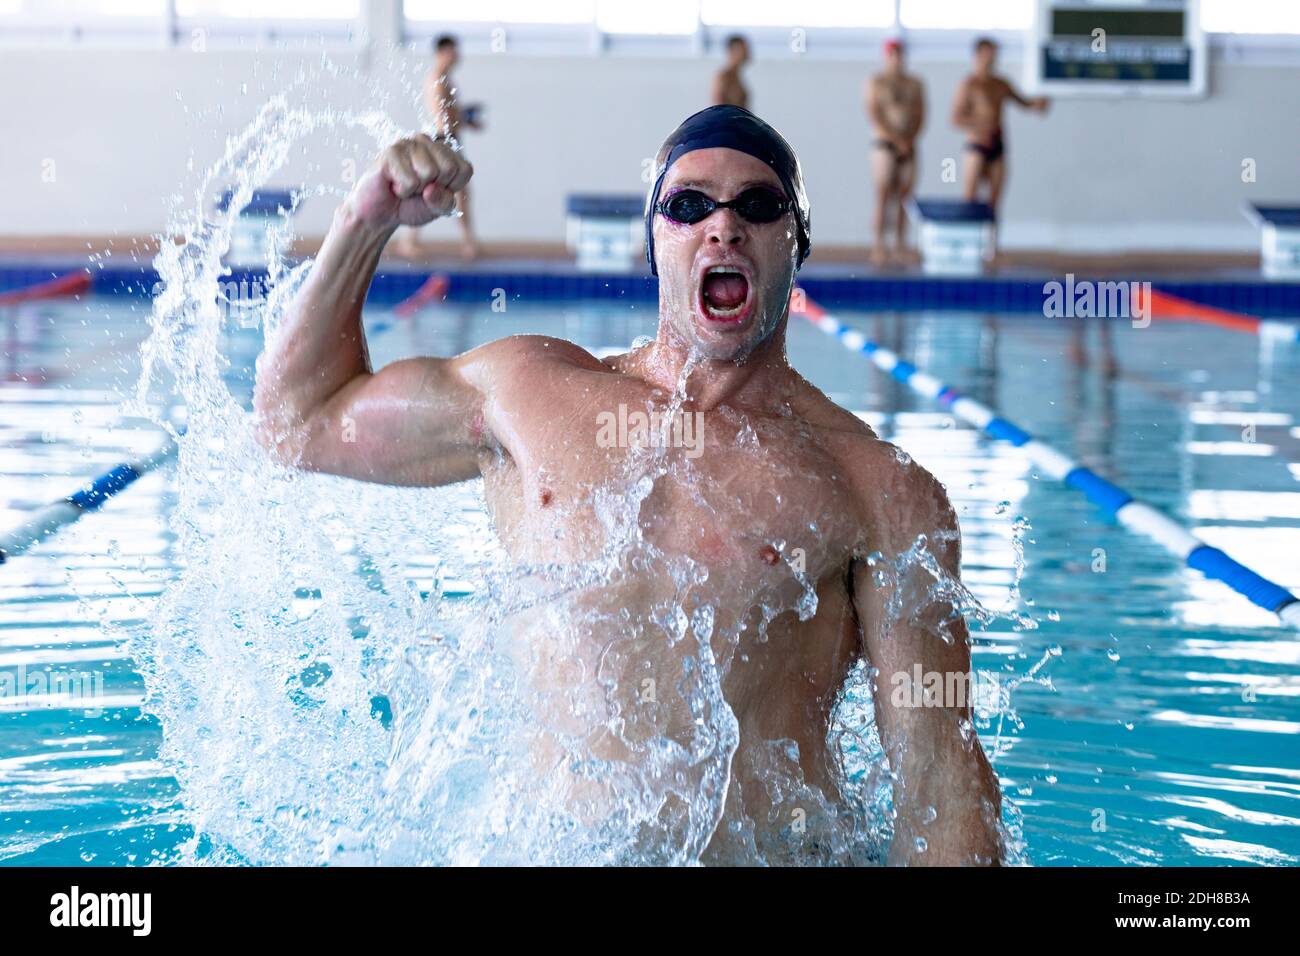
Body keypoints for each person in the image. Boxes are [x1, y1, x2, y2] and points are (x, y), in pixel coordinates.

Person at [252, 105, 1004, 865]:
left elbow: (941, 786)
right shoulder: (531, 393)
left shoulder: (878, 488)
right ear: (656, 243)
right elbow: (299, 424)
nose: (724, 226)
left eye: (759, 204)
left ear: (794, 243)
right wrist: (366, 220)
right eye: (688, 206)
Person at [951, 36, 1048, 245]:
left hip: (998, 145)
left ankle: (991, 248)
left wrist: (1038, 104)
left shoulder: (1000, 83)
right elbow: (956, 118)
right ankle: (970, 244)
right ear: (978, 55)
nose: (992, 58)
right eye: (988, 53)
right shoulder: (969, 84)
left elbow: (1023, 102)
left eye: (994, 54)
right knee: (971, 199)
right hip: (976, 146)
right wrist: (978, 128)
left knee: (994, 201)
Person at [396, 34, 483, 260]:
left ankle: (463, 242)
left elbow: (450, 114)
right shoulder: (437, 79)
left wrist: (465, 118)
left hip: (447, 138)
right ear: (442, 52)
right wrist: (462, 121)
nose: (457, 56)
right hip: (445, 139)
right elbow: (443, 117)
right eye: (454, 51)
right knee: (452, 192)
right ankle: (466, 243)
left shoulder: (444, 78)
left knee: (441, 191)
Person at [866, 38, 925, 265]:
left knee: (904, 197)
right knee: (882, 195)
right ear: (886, 57)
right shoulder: (876, 82)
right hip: (885, 146)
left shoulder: (915, 84)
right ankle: (879, 245)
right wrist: (896, 139)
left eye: (901, 55)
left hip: (909, 145)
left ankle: (900, 245)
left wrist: (908, 140)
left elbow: (920, 114)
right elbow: (875, 114)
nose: (898, 60)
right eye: (893, 55)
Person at [711, 34, 750, 109]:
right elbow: (718, 109)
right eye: (743, 49)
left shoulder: (738, 76)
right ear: (731, 51)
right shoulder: (723, 76)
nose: (747, 53)